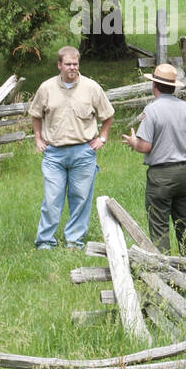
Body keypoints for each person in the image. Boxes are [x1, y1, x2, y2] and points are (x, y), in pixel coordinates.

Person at [28, 46, 114, 249]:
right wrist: (38, 139)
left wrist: (102, 137)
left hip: (83, 152)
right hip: (54, 154)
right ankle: (45, 241)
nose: (72, 68)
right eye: (68, 64)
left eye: (75, 64)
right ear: (59, 65)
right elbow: (36, 115)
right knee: (51, 199)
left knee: (81, 199)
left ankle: (74, 241)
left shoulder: (92, 87)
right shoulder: (46, 88)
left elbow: (108, 115)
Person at [121, 62, 186, 257]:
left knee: (159, 226)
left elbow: (145, 146)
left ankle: (163, 272)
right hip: (185, 173)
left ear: (153, 85)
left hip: (162, 175)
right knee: (184, 223)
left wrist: (133, 142)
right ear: (173, 87)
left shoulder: (152, 109)